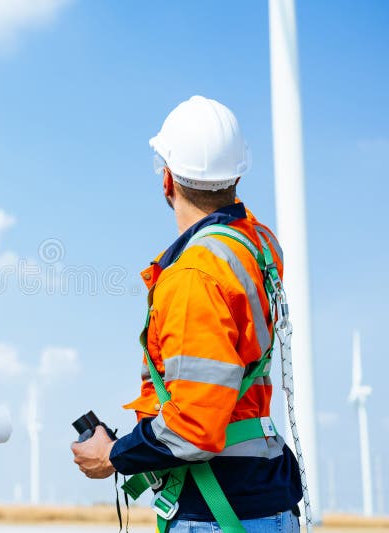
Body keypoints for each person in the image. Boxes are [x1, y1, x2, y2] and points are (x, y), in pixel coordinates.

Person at [71, 96, 303, 532]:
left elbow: (196, 424)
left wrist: (112, 455)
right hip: (263, 497)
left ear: (166, 182)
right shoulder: (256, 246)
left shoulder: (195, 273)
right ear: (236, 175)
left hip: (219, 510)